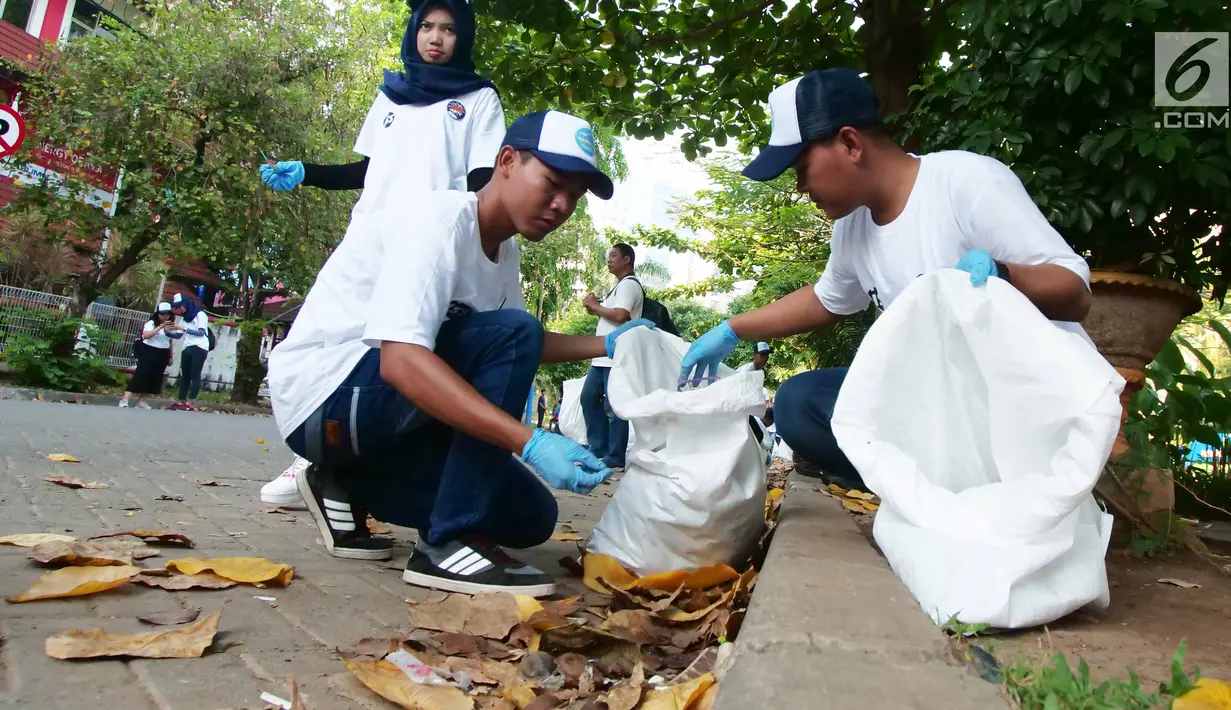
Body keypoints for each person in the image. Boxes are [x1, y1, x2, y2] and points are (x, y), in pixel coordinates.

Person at [267, 110, 652, 597]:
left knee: (531, 515)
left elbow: (522, 342)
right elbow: (401, 359)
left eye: (573, 197)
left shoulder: (502, 249)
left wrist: (611, 343)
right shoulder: (438, 222)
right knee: (514, 333)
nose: (560, 205)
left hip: (376, 416)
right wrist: (526, 440)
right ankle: (446, 542)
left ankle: (345, 482)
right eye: (553, 183)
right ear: (507, 161)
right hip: (325, 400)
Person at [680, 68, 1093, 491]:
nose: (802, 187)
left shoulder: (965, 181)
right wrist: (733, 328)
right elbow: (826, 301)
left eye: (803, 168)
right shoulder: (853, 226)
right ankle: (934, 487)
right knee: (799, 404)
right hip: (934, 402)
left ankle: (982, 483)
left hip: (1009, 400)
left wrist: (1005, 276)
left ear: (850, 143)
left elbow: (1074, 293)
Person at [258, 0, 507, 508]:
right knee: (332, 344)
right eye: (427, 27)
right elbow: (367, 170)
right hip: (368, 241)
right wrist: (308, 171)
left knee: (406, 351)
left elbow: (484, 180)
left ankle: (367, 471)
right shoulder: (390, 96)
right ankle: (313, 457)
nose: (435, 38)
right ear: (414, 31)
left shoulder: (479, 98)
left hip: (431, 247)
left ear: (465, 38)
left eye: (449, 30)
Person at [579, 244, 644, 470]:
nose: (609, 260)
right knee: (588, 398)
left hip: (615, 354)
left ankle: (615, 455)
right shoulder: (619, 286)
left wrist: (596, 307)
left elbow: (620, 315)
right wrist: (594, 307)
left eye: (613, 256)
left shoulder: (628, 285)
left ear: (627, 259)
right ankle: (598, 447)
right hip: (602, 355)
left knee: (613, 405)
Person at [119, 302, 178, 409]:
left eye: (168, 314)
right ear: (158, 314)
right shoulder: (151, 323)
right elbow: (146, 335)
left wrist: (170, 356)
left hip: (163, 352)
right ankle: (125, 399)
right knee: (141, 375)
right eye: (162, 314)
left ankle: (142, 400)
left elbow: (170, 341)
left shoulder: (171, 325)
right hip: (149, 350)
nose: (165, 316)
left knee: (154, 377)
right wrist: (160, 327)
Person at [167, 293, 211, 412]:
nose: (180, 309)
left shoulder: (200, 315)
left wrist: (182, 328)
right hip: (187, 346)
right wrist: (167, 332)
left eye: (180, 306)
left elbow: (201, 332)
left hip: (200, 346)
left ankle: (191, 401)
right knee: (185, 375)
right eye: (177, 307)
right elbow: (179, 335)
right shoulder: (184, 318)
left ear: (186, 303)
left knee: (195, 374)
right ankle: (180, 400)